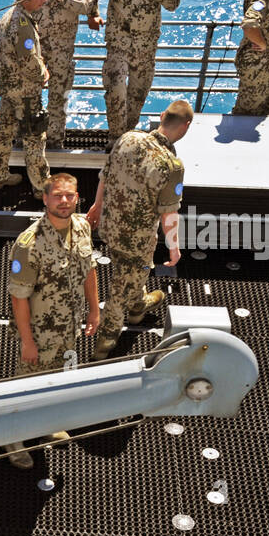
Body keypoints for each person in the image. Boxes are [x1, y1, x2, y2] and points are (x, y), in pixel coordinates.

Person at [4, 173, 99, 468]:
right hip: (39, 333)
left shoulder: (82, 227)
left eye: (70, 195)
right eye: (57, 195)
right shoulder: (28, 244)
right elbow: (19, 297)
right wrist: (28, 342)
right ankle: (13, 440)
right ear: (45, 199)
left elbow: (90, 270)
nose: (64, 201)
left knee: (57, 382)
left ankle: (46, 425)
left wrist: (94, 310)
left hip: (69, 328)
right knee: (25, 387)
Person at [86, 100, 193, 361]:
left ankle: (138, 306)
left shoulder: (128, 138)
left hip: (110, 227)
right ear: (186, 126)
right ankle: (105, 343)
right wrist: (174, 247)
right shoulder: (172, 166)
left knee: (134, 271)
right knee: (121, 285)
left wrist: (97, 207)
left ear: (161, 116)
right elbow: (169, 212)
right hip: (138, 239)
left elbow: (105, 177)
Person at [88, 0, 180, 145]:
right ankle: (115, 140)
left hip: (145, 45)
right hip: (118, 41)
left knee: (137, 96)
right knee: (115, 89)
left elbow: (173, 3)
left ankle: (127, 139)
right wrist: (92, 13)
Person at [0, 0, 50, 195]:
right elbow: (29, 61)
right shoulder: (22, 24)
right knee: (34, 137)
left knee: (4, 132)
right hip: (25, 92)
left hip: (9, 89)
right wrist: (44, 73)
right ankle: (41, 187)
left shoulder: (8, 16)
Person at [36, 0, 97, 145]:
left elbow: (87, 5)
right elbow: (23, 3)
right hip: (36, 49)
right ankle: (29, 140)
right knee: (30, 97)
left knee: (58, 99)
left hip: (62, 51)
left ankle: (54, 142)